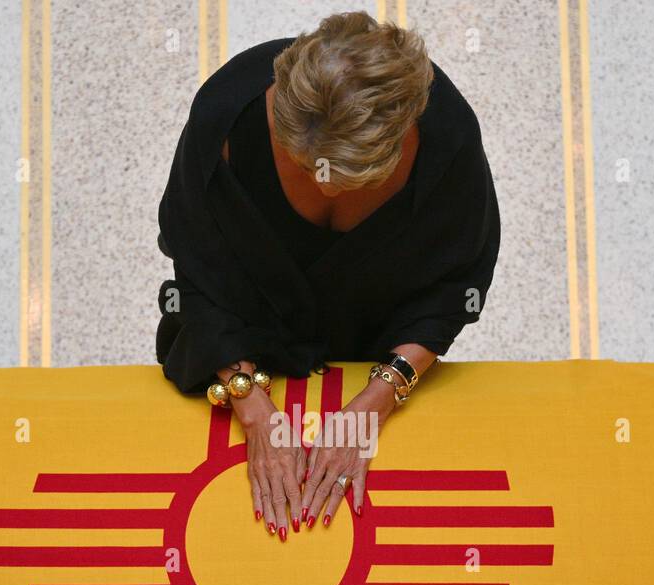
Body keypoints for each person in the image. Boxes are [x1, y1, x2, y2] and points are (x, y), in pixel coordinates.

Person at [156, 11, 499, 541]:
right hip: (236, 338)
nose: (329, 189)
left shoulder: (448, 137)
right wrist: (251, 404)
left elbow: (458, 287)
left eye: (356, 175)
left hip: (378, 338)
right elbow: (197, 268)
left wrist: (379, 396)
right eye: (305, 161)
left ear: (407, 128)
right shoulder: (224, 116)